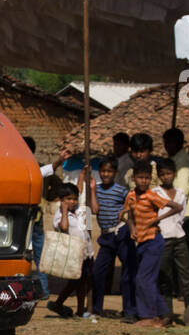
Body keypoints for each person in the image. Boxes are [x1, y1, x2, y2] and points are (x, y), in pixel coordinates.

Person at [119, 160, 181, 328]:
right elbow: (130, 215)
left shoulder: (152, 195)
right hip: (142, 243)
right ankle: (161, 315)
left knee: (142, 279)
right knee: (145, 280)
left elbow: (177, 207)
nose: (144, 181)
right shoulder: (131, 196)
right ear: (134, 178)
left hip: (154, 241)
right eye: (140, 178)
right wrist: (132, 229)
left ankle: (151, 316)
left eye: (147, 178)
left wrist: (157, 219)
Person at [22, 136, 72, 300]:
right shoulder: (27, 168)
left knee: (34, 255)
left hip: (32, 220)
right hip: (29, 219)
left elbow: (50, 170)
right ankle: (34, 290)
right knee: (32, 256)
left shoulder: (30, 169)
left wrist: (59, 160)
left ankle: (38, 290)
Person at [153, 158, 189, 319]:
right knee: (165, 277)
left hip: (179, 238)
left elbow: (181, 216)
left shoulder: (180, 194)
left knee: (187, 277)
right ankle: (166, 314)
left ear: (174, 174)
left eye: (169, 173)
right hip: (162, 239)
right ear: (159, 176)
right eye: (163, 174)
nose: (166, 177)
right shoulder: (155, 194)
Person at [88, 156, 130, 317]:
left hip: (120, 232)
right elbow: (94, 210)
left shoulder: (121, 191)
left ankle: (129, 309)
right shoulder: (96, 189)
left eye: (109, 171)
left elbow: (130, 205)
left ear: (115, 173)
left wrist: (125, 215)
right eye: (103, 171)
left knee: (127, 271)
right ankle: (97, 308)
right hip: (106, 236)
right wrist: (92, 189)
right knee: (98, 271)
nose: (106, 174)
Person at [163, 127, 189, 291]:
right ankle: (184, 287)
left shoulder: (183, 162)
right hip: (180, 211)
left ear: (178, 143)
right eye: (165, 143)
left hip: (185, 212)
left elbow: (182, 190)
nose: (167, 146)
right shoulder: (176, 159)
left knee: (183, 252)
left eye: (169, 143)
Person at [47, 182, 93, 317]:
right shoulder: (59, 215)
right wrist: (65, 211)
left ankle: (78, 309)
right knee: (75, 282)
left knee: (82, 282)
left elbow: (88, 226)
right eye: (68, 199)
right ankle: (60, 303)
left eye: (74, 199)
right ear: (61, 200)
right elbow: (64, 227)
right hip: (72, 255)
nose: (72, 202)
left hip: (86, 253)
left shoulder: (81, 210)